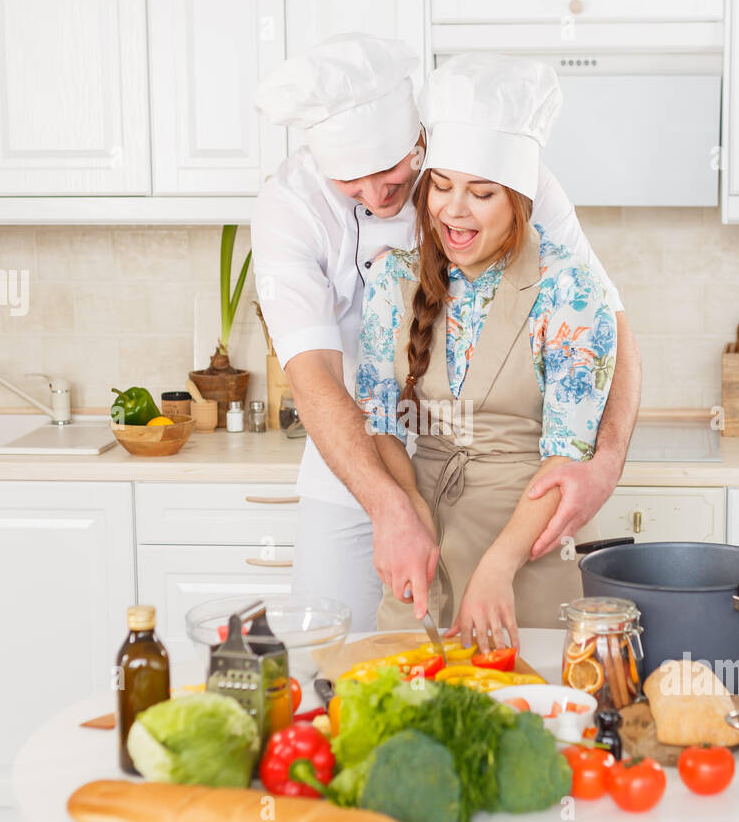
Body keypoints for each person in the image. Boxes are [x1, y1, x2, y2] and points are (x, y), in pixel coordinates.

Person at [252, 34, 641, 633]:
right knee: (338, 653)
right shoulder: (291, 207)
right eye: (353, 190)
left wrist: (605, 460)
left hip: (504, 492)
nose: (381, 202)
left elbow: (607, 323)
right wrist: (393, 504)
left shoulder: (503, 165)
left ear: (420, 143)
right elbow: (316, 377)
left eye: (395, 179)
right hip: (354, 453)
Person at [355, 53, 615, 652]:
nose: (453, 210)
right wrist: (406, 513)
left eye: (482, 193)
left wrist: (500, 566)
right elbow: (379, 425)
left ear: (519, 200)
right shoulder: (393, 280)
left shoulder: (570, 288)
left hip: (531, 554)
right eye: (441, 187)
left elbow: (568, 455)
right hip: (423, 555)